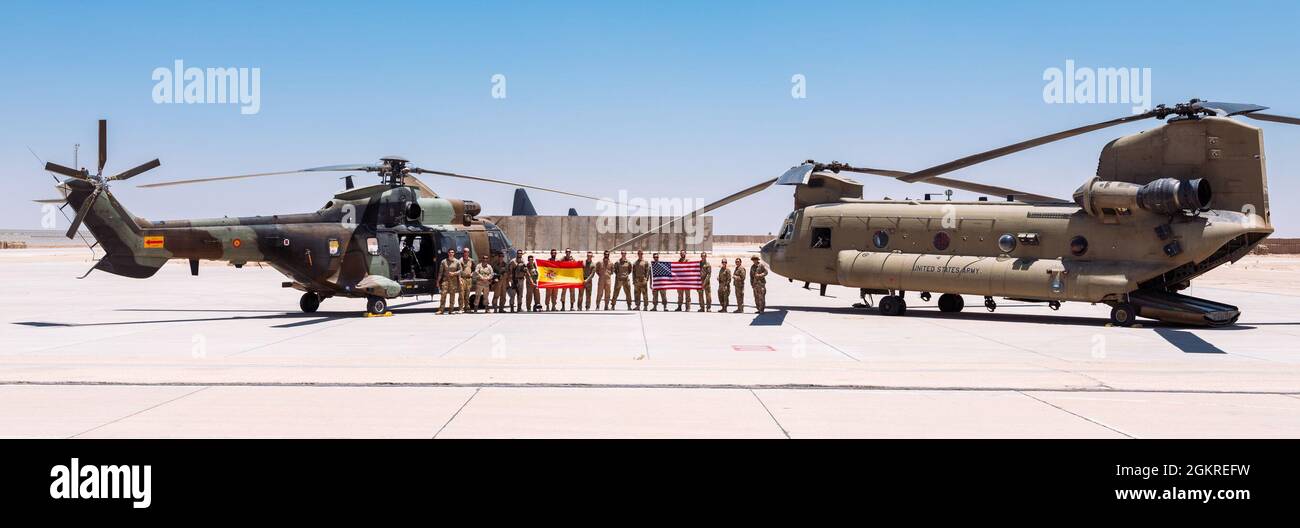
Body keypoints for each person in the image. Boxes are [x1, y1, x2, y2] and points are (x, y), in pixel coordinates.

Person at [437, 248, 462, 315]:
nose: (451, 253)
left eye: (452, 252)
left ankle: (451, 310)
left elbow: (460, 270)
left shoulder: (457, 261)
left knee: (452, 295)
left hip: (453, 281)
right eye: (450, 252)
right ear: (448, 253)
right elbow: (440, 272)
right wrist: (438, 281)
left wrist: (454, 273)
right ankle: (441, 310)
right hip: (445, 281)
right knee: (443, 295)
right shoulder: (443, 261)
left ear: (454, 253)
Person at [458, 248, 474, 313]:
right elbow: (458, 271)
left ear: (468, 253)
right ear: (463, 252)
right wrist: (459, 279)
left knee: (467, 294)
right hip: (462, 279)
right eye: (464, 251)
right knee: (461, 294)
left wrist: (472, 274)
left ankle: (467, 307)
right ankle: (461, 308)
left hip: (469, 279)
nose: (466, 253)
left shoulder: (471, 261)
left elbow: (474, 269)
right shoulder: (460, 261)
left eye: (467, 252)